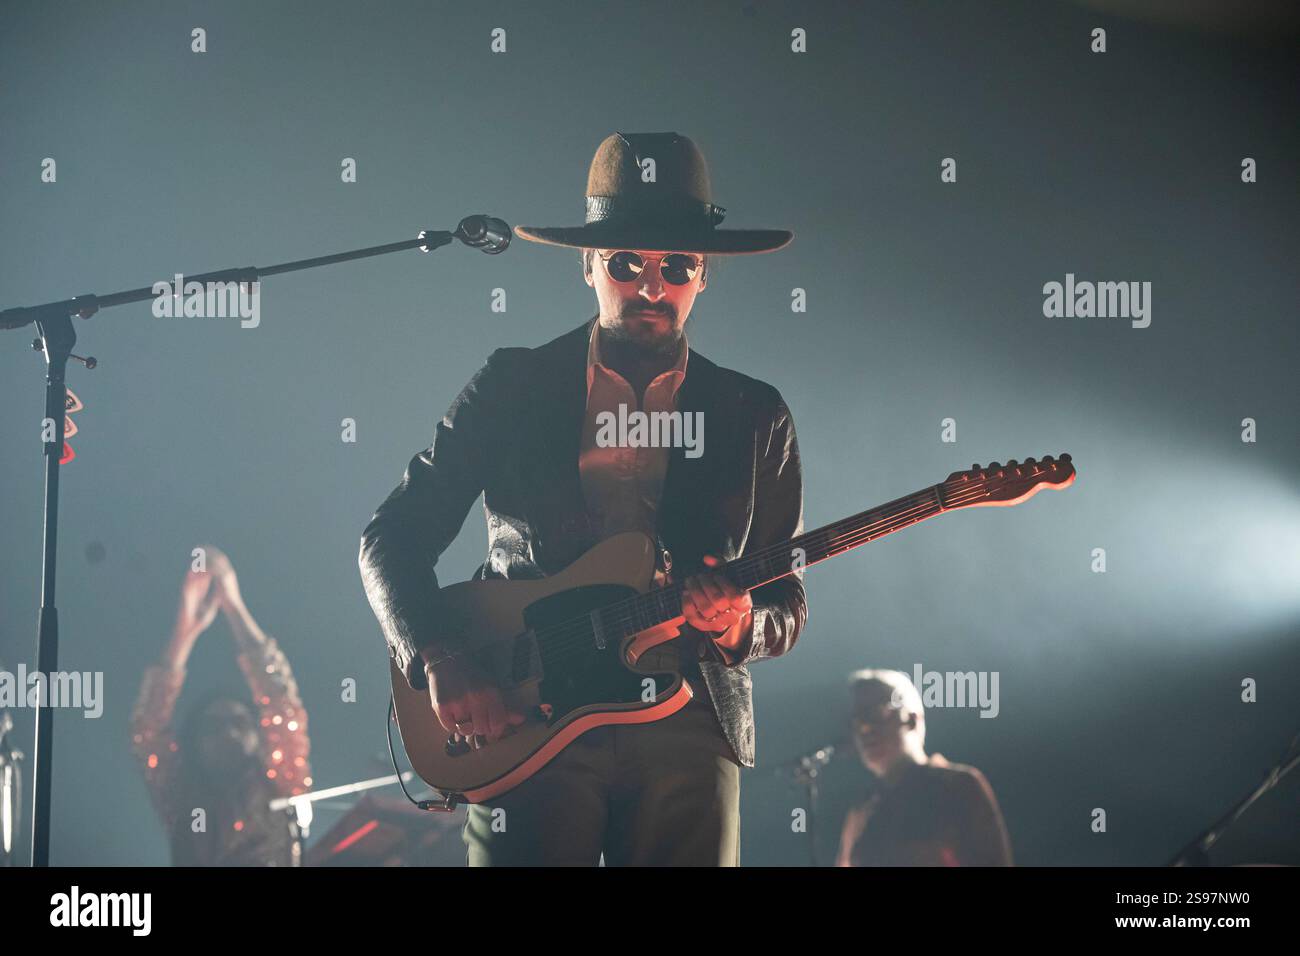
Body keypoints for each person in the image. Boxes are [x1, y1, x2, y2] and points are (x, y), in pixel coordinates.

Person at [360, 131, 806, 865]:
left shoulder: (754, 412)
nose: (653, 287)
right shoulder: (513, 384)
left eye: (678, 267)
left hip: (690, 715)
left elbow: (785, 602)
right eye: (628, 263)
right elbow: (392, 537)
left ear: (704, 276)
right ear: (590, 265)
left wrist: (738, 624)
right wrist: (437, 655)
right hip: (527, 709)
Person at [131, 547, 312, 865]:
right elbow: (148, 727)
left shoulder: (281, 782)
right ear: (195, 743)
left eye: (240, 723)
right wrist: (184, 632)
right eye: (213, 726)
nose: (228, 732)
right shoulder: (181, 794)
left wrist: (234, 605)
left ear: (259, 735)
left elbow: (281, 702)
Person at [836, 669, 1013, 866]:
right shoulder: (862, 809)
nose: (865, 730)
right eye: (858, 720)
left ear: (911, 719)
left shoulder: (957, 786)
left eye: (876, 714)